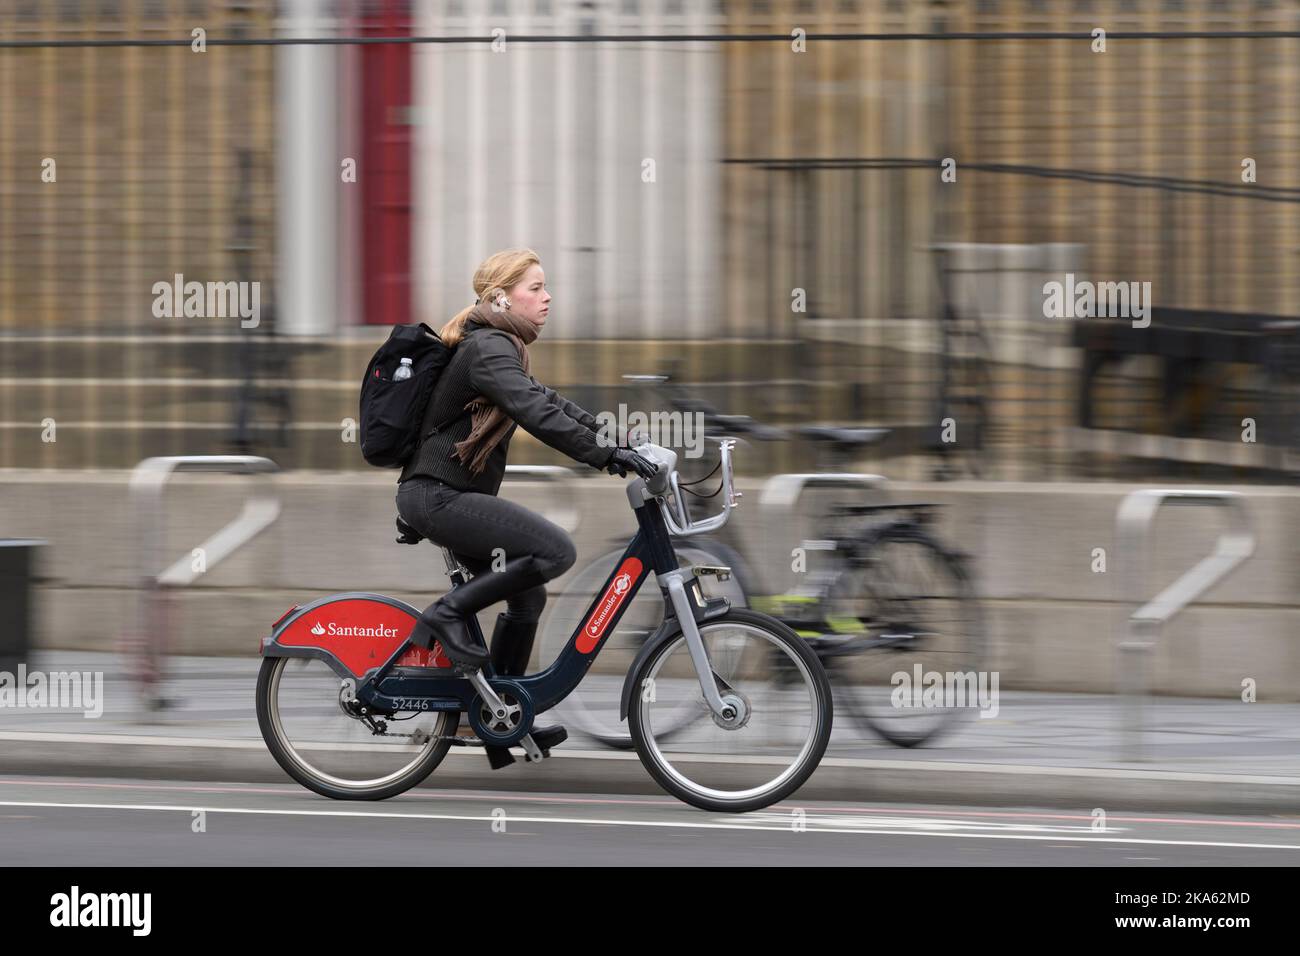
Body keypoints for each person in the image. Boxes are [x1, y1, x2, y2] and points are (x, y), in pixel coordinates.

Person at [395, 248, 657, 769]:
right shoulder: (490, 349)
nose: (547, 296)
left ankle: (494, 712)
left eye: (544, 287)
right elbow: (534, 412)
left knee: (528, 593)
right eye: (535, 287)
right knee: (554, 550)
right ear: (500, 296)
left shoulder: (499, 346)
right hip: (438, 497)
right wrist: (607, 457)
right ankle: (445, 615)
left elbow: (552, 401)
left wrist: (622, 439)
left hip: (445, 496)